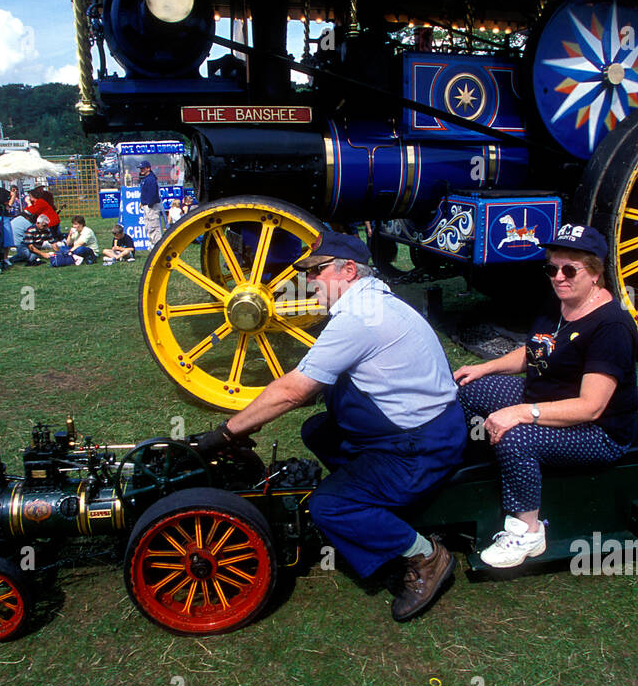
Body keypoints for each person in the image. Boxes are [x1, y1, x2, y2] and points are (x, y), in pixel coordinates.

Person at [193, 230, 467, 622]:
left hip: (422, 445)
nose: (309, 282)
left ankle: (424, 554)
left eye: (317, 272)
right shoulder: (372, 303)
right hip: (420, 427)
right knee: (317, 431)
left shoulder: (358, 318)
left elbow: (292, 391)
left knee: (327, 506)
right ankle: (376, 509)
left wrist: (226, 433)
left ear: (349, 270)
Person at [453, 224, 638, 568]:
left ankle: (529, 532)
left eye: (569, 270)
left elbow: (591, 407)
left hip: (598, 433)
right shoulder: (560, 301)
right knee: (470, 390)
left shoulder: (610, 327)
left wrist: (521, 412)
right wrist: (484, 368)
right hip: (546, 394)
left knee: (517, 437)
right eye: (551, 268)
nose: (558, 277)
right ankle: (462, 469)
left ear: (596, 273)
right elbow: (535, 352)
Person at [137, 160, 163, 248]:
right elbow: (145, 192)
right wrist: (142, 202)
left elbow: (152, 193)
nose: (141, 170)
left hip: (151, 206)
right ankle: (153, 243)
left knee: (154, 225)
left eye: (143, 168)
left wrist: (149, 204)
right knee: (148, 225)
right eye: (140, 168)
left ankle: (158, 244)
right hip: (146, 205)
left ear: (148, 168)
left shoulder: (151, 178)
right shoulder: (145, 179)